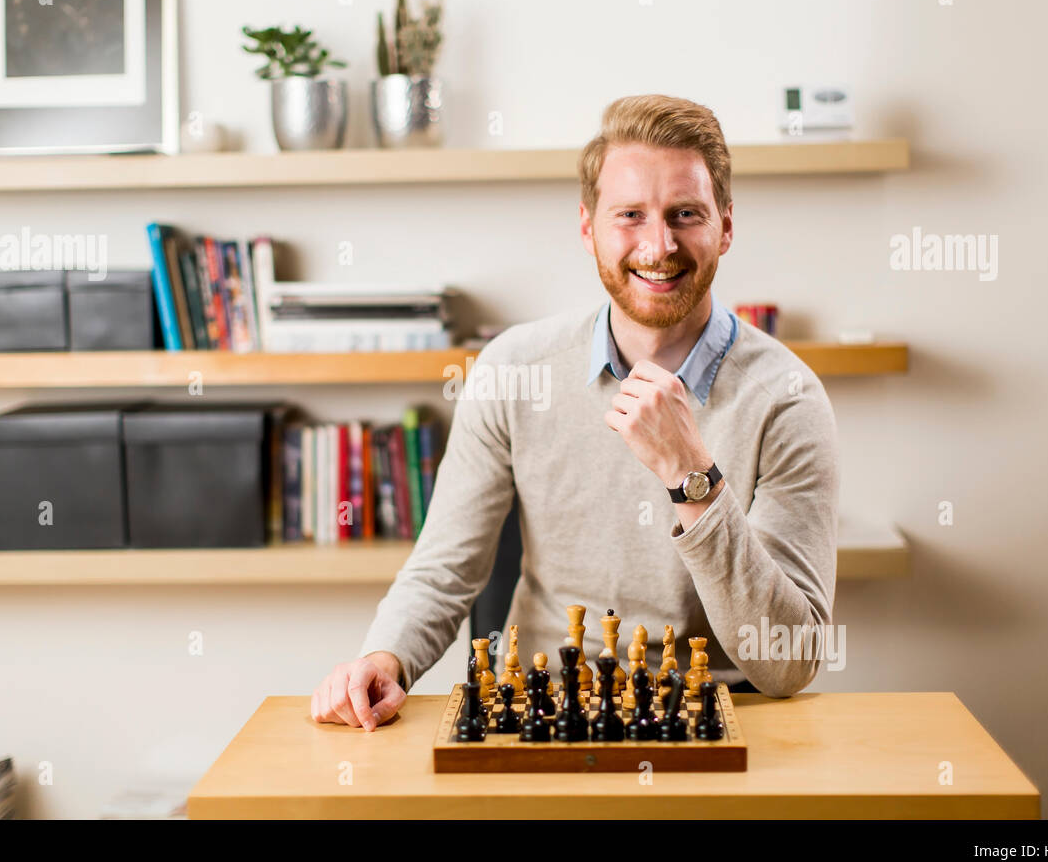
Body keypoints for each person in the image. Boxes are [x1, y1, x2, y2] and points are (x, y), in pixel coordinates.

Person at [311, 94, 839, 731]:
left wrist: (690, 472)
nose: (659, 244)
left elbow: (790, 663)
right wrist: (383, 658)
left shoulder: (789, 397)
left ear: (725, 226)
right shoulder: (512, 368)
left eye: (685, 214)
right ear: (588, 226)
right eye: (630, 215)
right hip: (542, 714)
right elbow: (446, 568)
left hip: (712, 723)